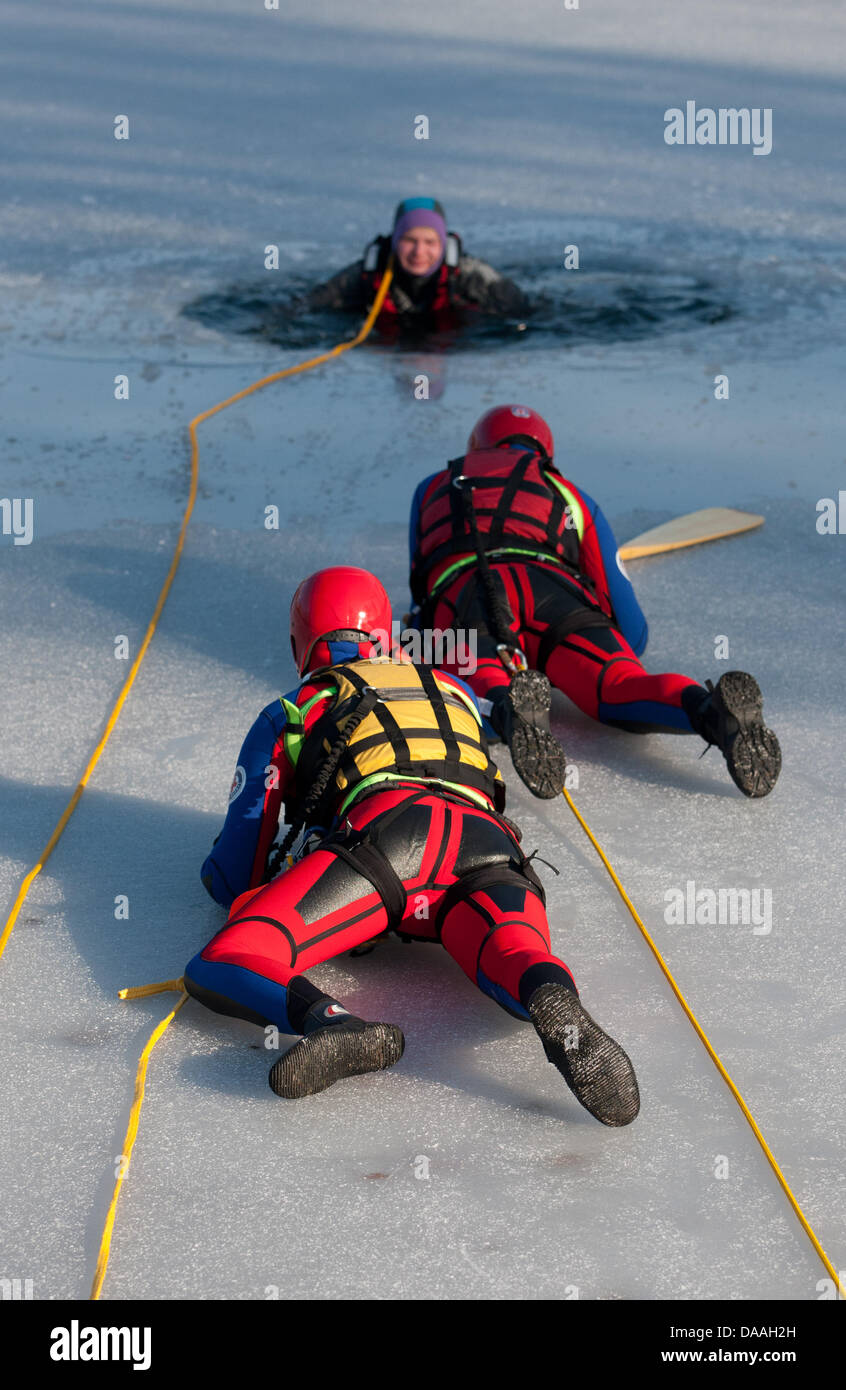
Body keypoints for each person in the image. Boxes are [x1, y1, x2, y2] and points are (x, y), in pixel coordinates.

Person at [185, 565, 640, 1126]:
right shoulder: (454, 691)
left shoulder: (294, 709)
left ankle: (335, 1023)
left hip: (388, 841)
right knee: (517, 953)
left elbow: (234, 872)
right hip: (490, 848)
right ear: (386, 633)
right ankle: (552, 998)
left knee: (231, 955)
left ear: (301, 640)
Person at [407, 404, 782, 800]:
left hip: (467, 590)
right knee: (621, 684)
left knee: (479, 679)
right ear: (545, 452)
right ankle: (708, 709)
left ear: (476, 444)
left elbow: (420, 591)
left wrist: (424, 641)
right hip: (555, 588)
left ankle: (506, 708)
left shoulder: (433, 486)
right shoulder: (568, 493)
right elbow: (632, 629)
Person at [307, 197, 531, 323]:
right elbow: (308, 304)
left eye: (430, 242)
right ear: (394, 241)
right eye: (409, 240)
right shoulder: (368, 273)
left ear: (443, 244)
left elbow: (525, 311)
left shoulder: (471, 276)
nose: (419, 252)